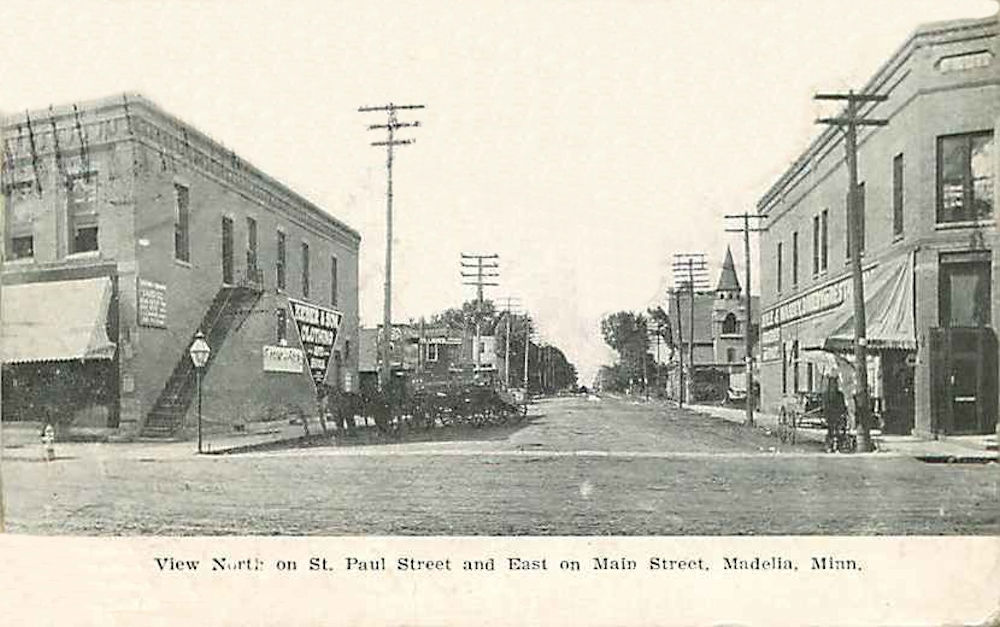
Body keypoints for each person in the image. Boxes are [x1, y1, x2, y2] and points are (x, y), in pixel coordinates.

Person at [823, 375, 848, 452]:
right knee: (831, 429)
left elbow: (843, 406)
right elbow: (825, 407)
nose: (834, 386)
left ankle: (839, 444)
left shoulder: (840, 395)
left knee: (839, 429)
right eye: (832, 384)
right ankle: (830, 444)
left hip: (838, 415)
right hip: (830, 415)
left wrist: (843, 413)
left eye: (835, 384)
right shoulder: (826, 395)